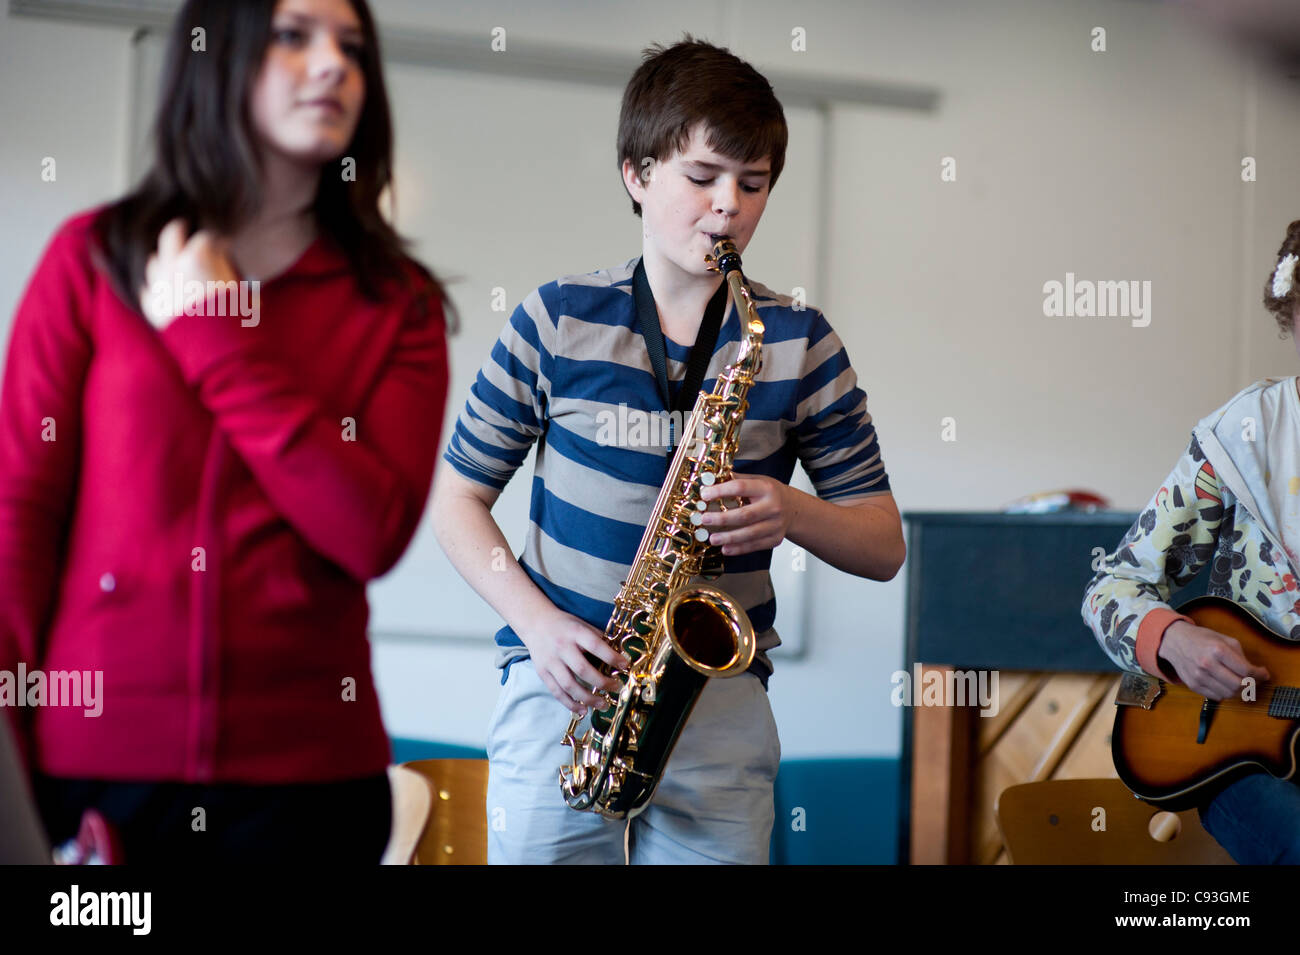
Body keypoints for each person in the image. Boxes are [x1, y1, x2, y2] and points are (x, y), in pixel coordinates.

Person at [431, 37, 905, 865]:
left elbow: (883, 543)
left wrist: (791, 510)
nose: (729, 206)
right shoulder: (555, 318)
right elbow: (454, 499)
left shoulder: (797, 341)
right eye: (703, 176)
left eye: (753, 184)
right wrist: (536, 626)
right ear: (637, 173)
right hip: (562, 687)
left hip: (718, 700)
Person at [0, 0, 449, 863]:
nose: (331, 66)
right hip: (94, 775)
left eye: (352, 48)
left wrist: (215, 335)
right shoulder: (90, 260)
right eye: (293, 36)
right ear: (218, 55)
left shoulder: (397, 302)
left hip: (308, 791)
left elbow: (369, 532)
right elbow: (19, 517)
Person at [1082, 219, 1300, 864]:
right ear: (1292, 309)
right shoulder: (1244, 434)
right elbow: (1111, 587)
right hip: (1245, 761)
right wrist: (1174, 640)